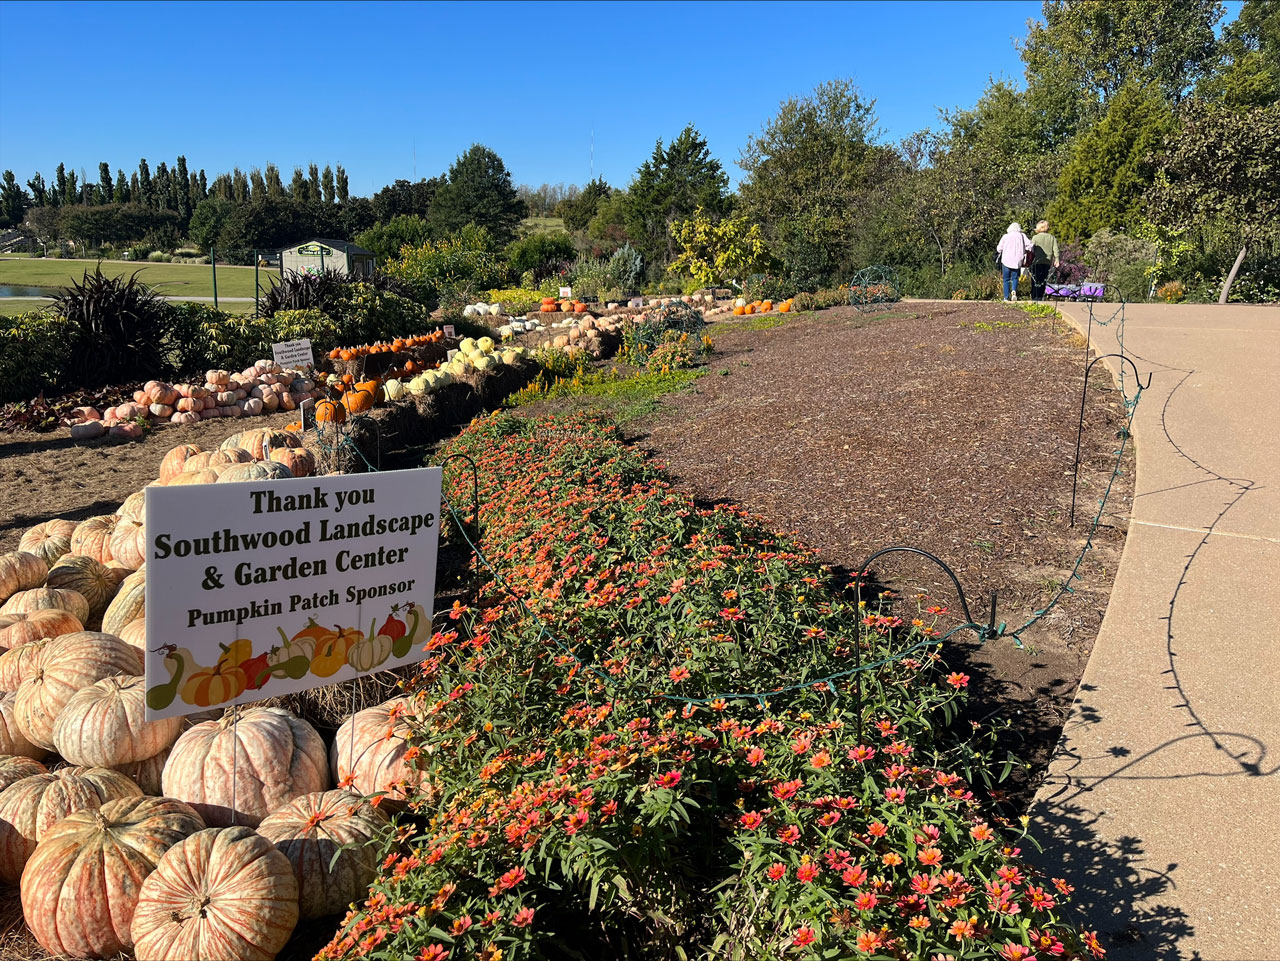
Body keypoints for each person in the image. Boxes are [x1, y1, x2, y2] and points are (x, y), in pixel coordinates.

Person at [996, 223, 1032, 302]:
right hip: (1017, 261)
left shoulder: (1005, 236)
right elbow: (1030, 245)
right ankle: (1014, 292)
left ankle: (1006, 297)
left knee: (1006, 279)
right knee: (1015, 278)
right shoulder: (1022, 236)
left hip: (1006, 260)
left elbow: (999, 248)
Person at [1030, 220, 1060, 301]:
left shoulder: (1035, 238)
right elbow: (1056, 249)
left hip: (1036, 261)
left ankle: (1035, 296)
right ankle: (1041, 296)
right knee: (1044, 280)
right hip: (1047, 262)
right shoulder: (1052, 238)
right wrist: (1056, 259)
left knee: (1035, 280)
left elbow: (1031, 250)